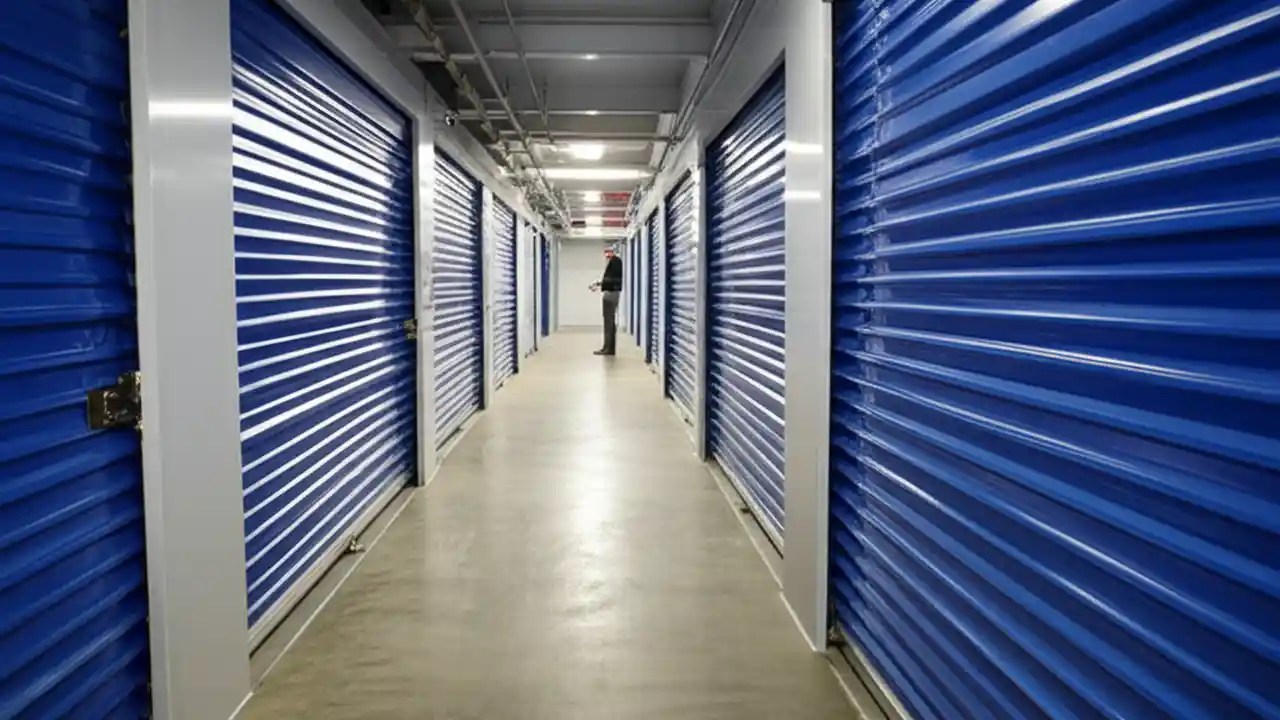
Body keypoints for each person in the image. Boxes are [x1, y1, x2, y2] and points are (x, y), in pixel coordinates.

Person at [589, 245, 623, 356]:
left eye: (608, 252)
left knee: (609, 322)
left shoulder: (616, 262)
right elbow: (610, 279)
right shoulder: (613, 262)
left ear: (613, 252)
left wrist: (603, 283)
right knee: (609, 323)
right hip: (610, 293)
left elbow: (614, 280)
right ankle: (607, 347)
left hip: (611, 294)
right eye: (605, 252)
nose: (606, 254)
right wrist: (599, 283)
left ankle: (608, 348)